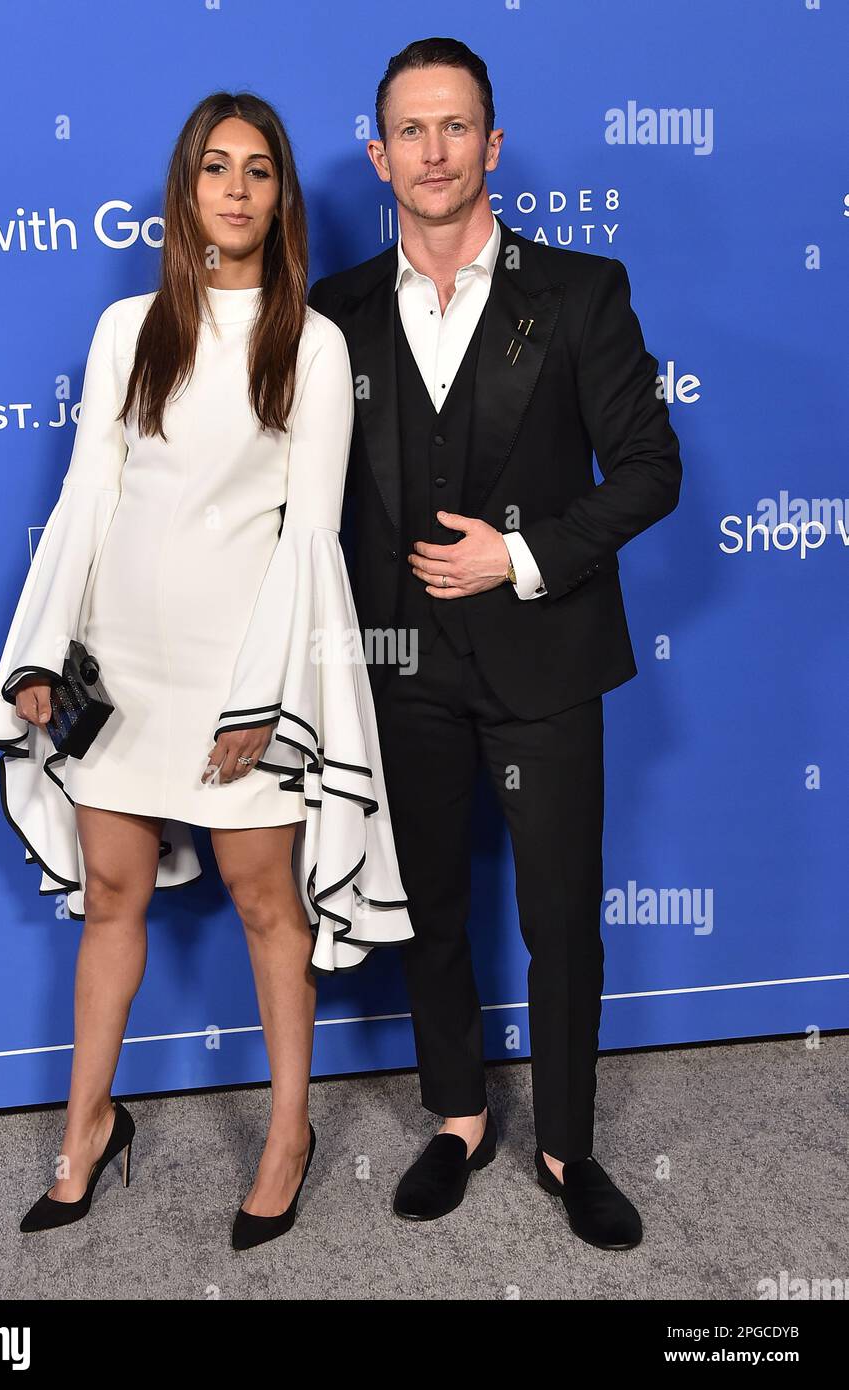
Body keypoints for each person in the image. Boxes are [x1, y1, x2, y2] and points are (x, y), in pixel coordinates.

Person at [0, 91, 412, 1249]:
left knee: (268, 903)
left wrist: (265, 701)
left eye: (258, 170)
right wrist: (38, 657)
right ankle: (87, 1125)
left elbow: (310, 537)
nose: (235, 188)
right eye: (215, 167)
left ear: (281, 199)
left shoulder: (310, 343)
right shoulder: (127, 328)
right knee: (111, 895)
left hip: (240, 675)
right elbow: (87, 500)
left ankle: (288, 1135)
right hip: (118, 671)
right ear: (185, 189)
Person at [308, 38, 682, 1249]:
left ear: (492, 145)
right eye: (409, 131)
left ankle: (569, 1145)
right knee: (428, 903)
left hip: (544, 662)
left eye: (455, 127)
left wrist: (515, 557)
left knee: (560, 912)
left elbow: (649, 470)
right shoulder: (334, 313)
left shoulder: (579, 292)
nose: (432, 151)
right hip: (397, 667)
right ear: (378, 154)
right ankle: (458, 1115)